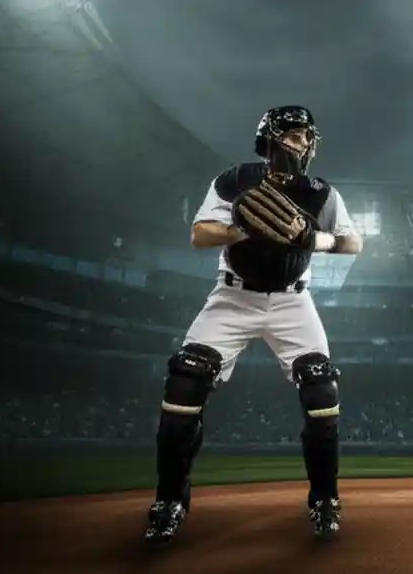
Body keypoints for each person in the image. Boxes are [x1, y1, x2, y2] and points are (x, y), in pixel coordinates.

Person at [143, 105, 363, 546]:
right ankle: (170, 500)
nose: (307, 145)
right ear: (275, 138)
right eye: (300, 136)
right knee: (184, 386)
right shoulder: (235, 179)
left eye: (308, 138)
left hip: (292, 301)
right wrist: (241, 228)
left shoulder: (320, 192)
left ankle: (324, 499)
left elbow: (352, 241)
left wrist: (310, 239)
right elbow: (200, 234)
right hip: (233, 296)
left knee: (322, 392)